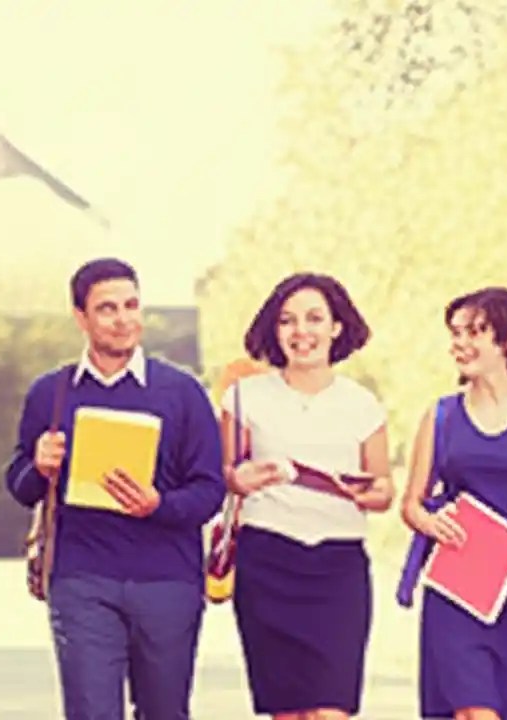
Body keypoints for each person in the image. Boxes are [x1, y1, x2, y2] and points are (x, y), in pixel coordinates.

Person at [5, 258, 225, 720]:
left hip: (168, 583)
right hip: (82, 580)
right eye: (107, 308)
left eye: (131, 305)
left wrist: (158, 504)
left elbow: (210, 489)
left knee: (165, 713)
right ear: (81, 317)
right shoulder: (51, 393)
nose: (124, 319)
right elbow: (21, 485)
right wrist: (39, 466)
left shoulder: (182, 392)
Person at [221, 272, 394, 720]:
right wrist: (240, 478)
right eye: (288, 321)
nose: (301, 331)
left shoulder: (362, 404)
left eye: (314, 318)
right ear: (275, 330)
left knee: (332, 710)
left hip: (338, 567)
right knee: (288, 712)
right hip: (267, 562)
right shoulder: (244, 397)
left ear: (337, 327)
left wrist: (361, 493)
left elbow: (384, 491)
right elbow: (223, 476)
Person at [400, 287, 507, 720]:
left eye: (474, 332)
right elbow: (411, 504)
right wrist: (430, 523)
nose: (459, 343)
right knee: (473, 711)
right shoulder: (440, 416)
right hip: (457, 588)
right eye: (455, 333)